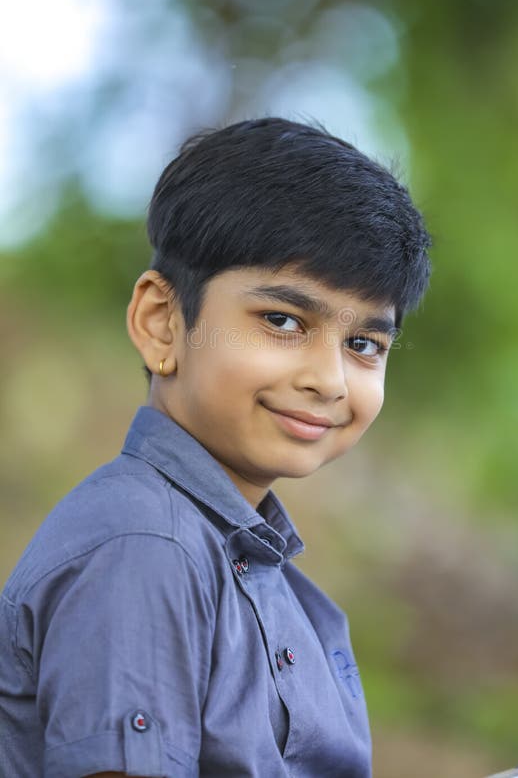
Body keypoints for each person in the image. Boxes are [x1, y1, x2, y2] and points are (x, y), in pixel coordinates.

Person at [0, 117, 432, 777]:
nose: (328, 378)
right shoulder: (144, 546)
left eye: (364, 344)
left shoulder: (259, 567)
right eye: (284, 321)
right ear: (161, 323)